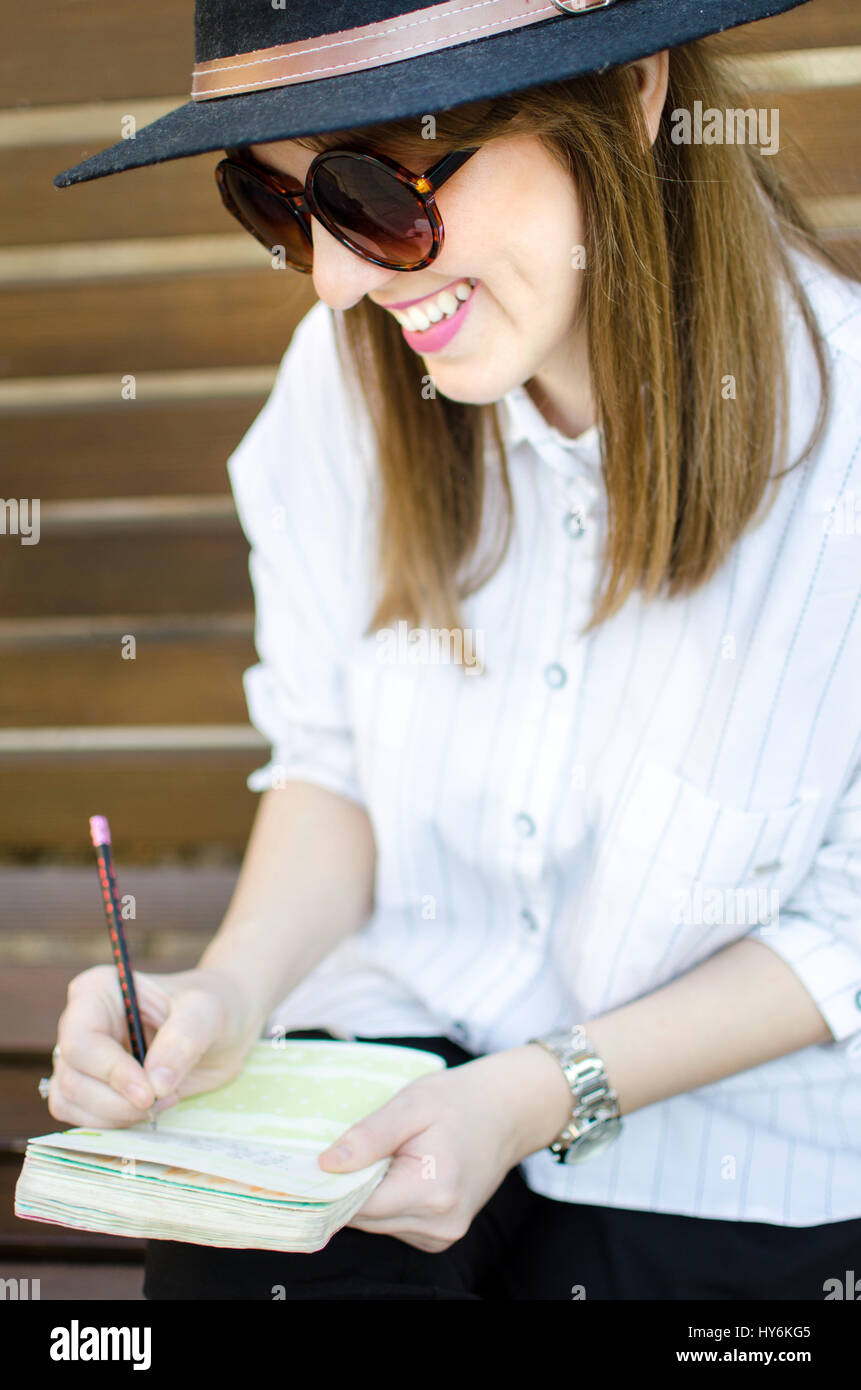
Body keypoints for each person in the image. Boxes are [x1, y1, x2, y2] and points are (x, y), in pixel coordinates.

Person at [47, 0, 861, 1300]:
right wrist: (230, 995)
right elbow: (333, 768)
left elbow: (844, 924)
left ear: (636, 90)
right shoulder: (343, 383)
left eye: (375, 189)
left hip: (725, 1142)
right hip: (395, 1038)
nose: (333, 279)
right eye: (277, 204)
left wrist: (539, 1094)